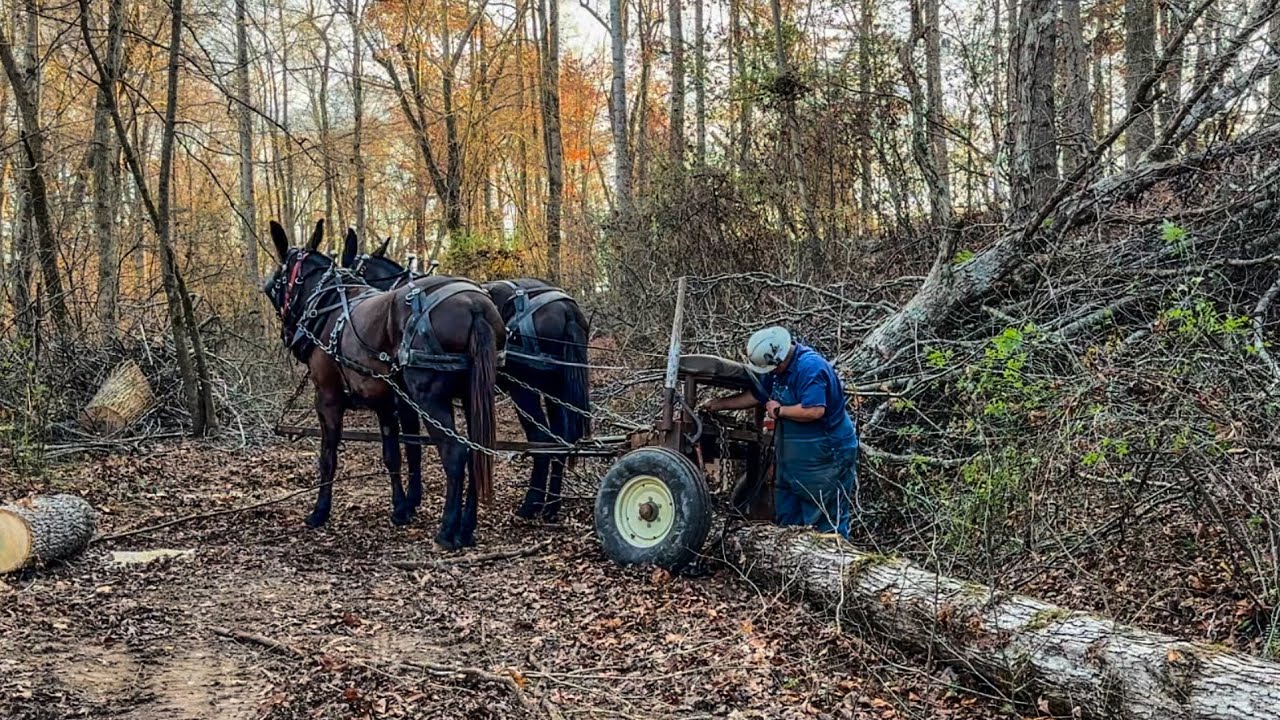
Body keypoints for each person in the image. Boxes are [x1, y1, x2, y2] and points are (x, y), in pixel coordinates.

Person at [702, 326, 859, 538]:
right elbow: (756, 396)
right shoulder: (776, 372)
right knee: (788, 515)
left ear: (778, 358)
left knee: (823, 519)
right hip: (793, 457)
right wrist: (719, 404)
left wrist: (780, 410)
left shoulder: (810, 368)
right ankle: (789, 559)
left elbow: (814, 410)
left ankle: (830, 564)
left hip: (825, 454)